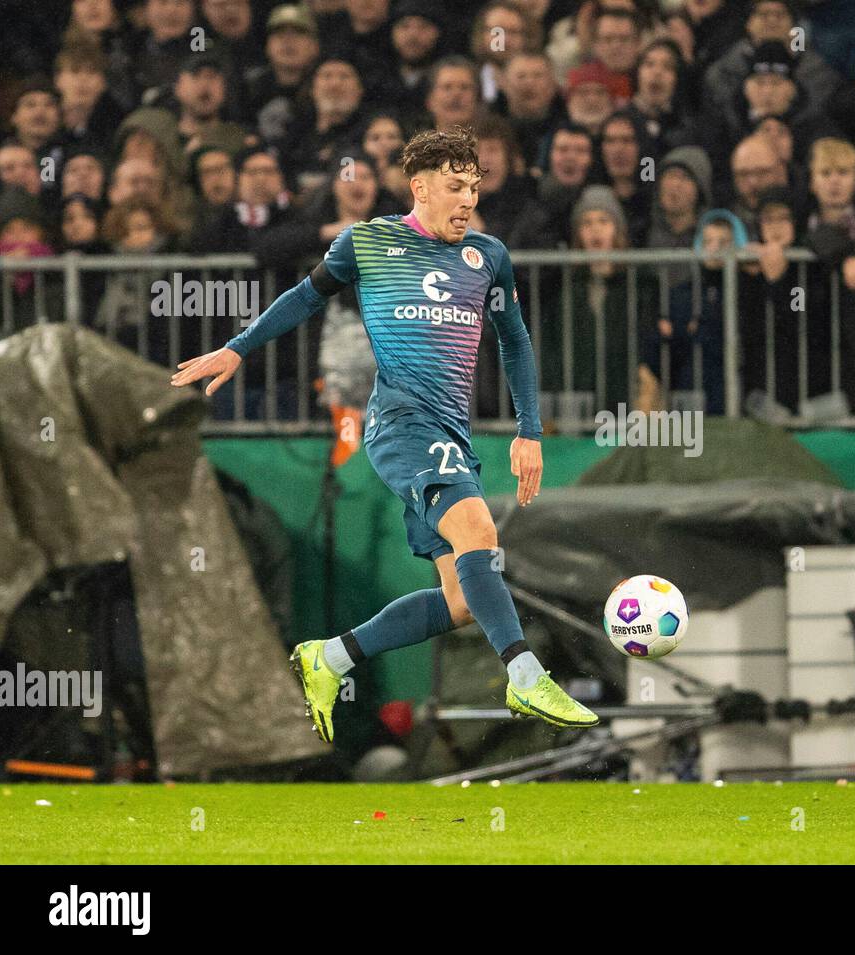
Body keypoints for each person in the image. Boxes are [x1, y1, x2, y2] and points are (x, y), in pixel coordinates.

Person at [170, 126, 600, 738]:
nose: (467, 200)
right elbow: (303, 297)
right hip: (400, 425)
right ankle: (527, 676)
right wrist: (239, 347)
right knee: (479, 529)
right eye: (455, 187)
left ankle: (331, 657)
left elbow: (516, 343)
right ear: (419, 188)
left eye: (474, 187)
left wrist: (529, 429)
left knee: (460, 601)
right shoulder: (367, 244)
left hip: (452, 434)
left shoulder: (488, 257)